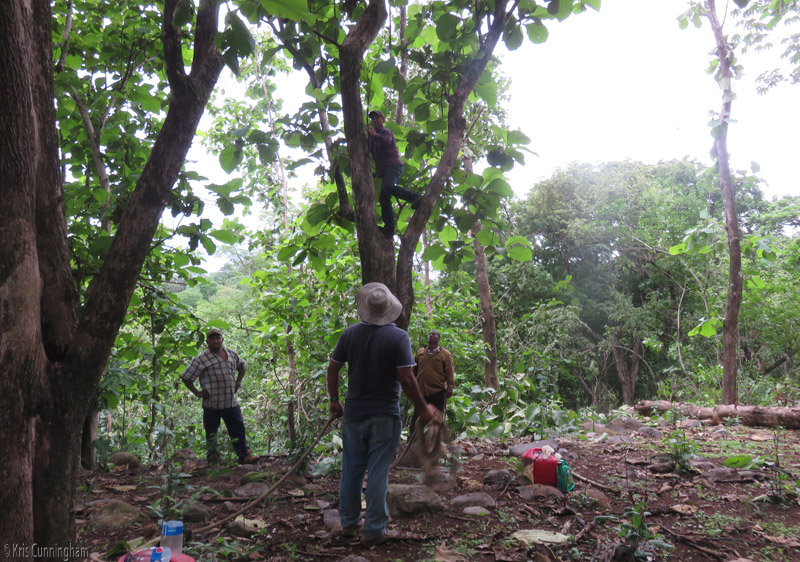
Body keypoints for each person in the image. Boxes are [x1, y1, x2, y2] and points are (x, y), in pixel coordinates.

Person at [326, 282, 437, 545]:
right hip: (385, 414)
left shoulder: (349, 334)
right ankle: (374, 529)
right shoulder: (398, 337)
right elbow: (407, 379)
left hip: (354, 413)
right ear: (389, 309)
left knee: (351, 470)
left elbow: (333, 369)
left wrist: (334, 401)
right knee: (377, 471)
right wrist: (424, 410)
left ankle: (349, 524)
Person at [181, 328, 260, 465]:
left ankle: (243, 456)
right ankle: (213, 458)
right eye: (212, 338)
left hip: (230, 402)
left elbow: (243, 366)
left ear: (222, 339)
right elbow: (186, 377)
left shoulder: (231, 354)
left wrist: (238, 381)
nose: (216, 341)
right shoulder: (202, 359)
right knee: (211, 433)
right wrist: (197, 393)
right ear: (207, 341)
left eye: (218, 338)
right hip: (212, 404)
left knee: (238, 429)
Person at [367, 110, 421, 237]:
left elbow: (387, 141)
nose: (374, 120)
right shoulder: (372, 138)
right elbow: (369, 152)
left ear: (383, 120)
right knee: (383, 198)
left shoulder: (385, 132)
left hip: (394, 165)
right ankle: (389, 229)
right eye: (372, 119)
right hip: (385, 170)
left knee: (388, 187)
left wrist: (374, 135)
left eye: (377, 118)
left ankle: (415, 197)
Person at [409, 330, 455, 435]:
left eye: (433, 334)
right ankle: (412, 441)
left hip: (437, 391)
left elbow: (449, 371)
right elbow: (414, 370)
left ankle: (436, 443)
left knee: (437, 418)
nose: (431, 336)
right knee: (416, 417)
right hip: (421, 391)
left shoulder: (445, 354)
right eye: (429, 334)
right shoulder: (421, 352)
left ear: (438, 339)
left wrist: (450, 387)